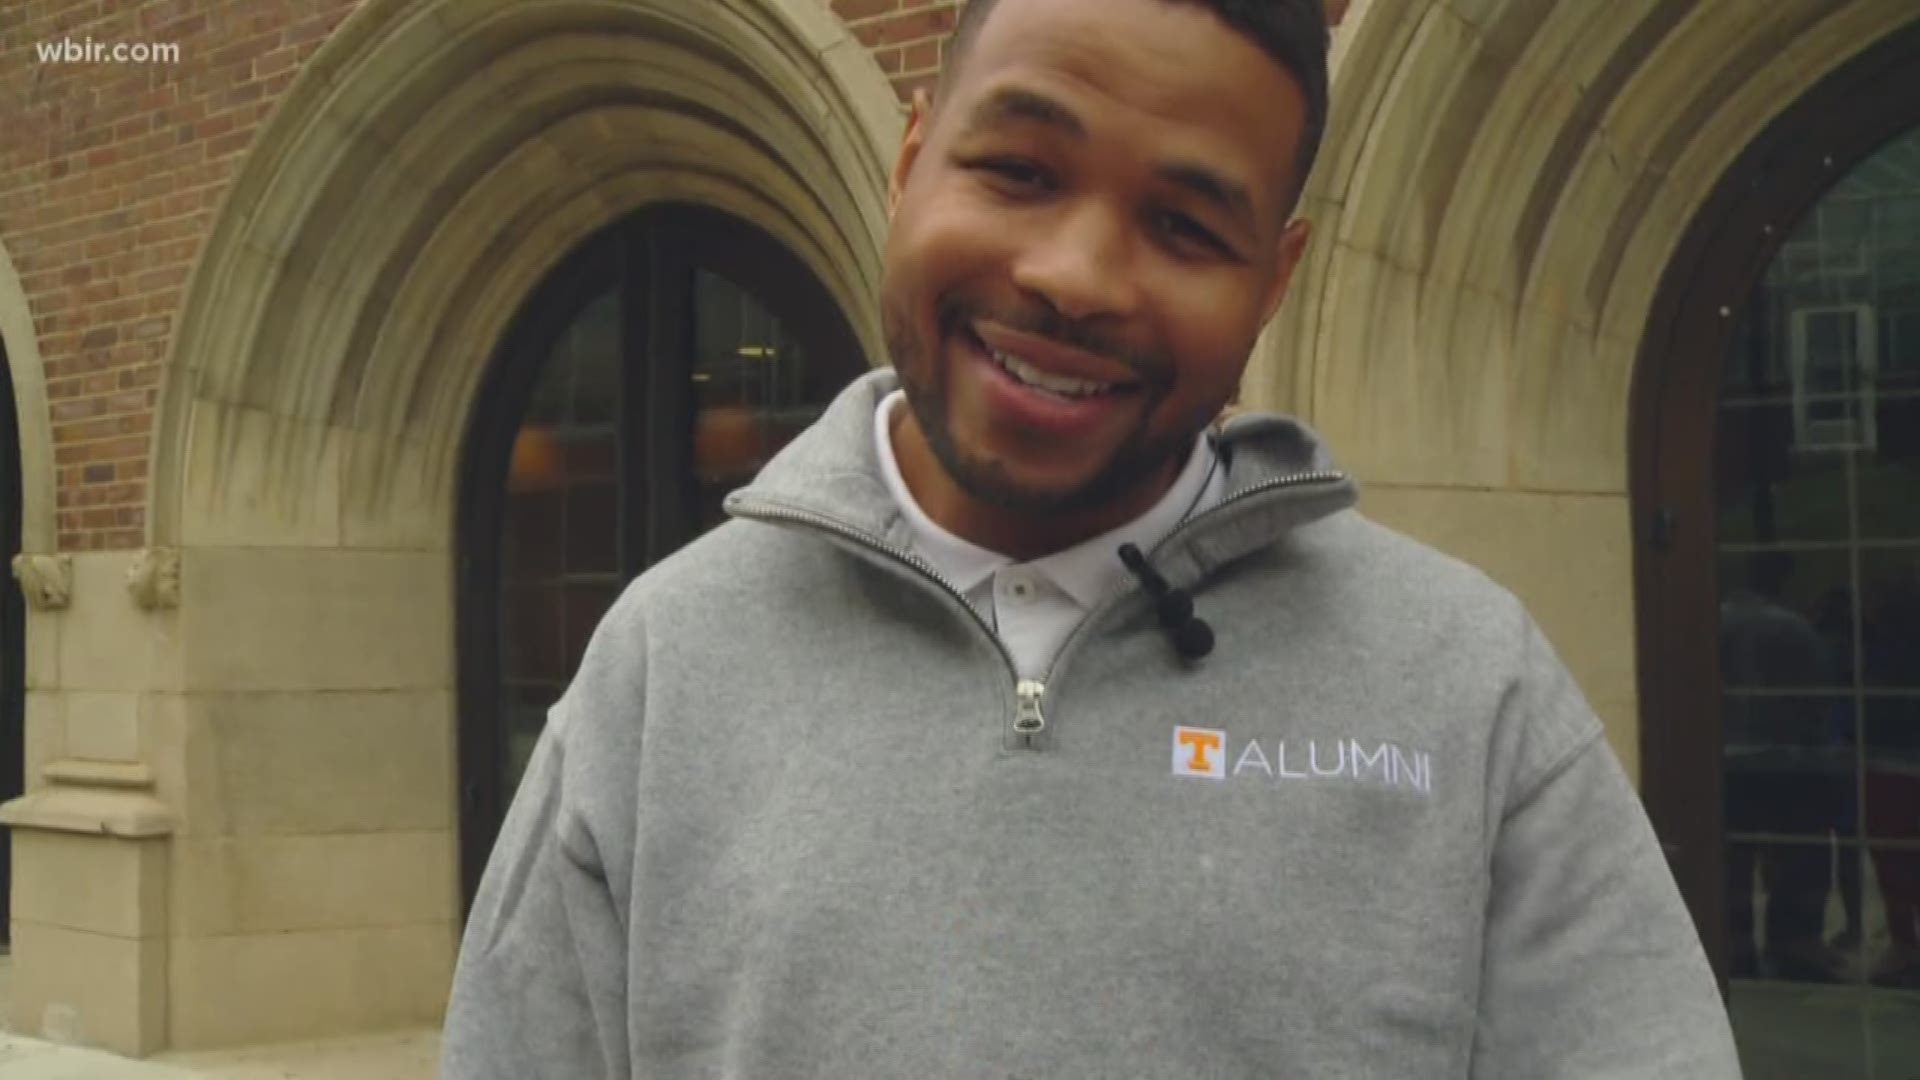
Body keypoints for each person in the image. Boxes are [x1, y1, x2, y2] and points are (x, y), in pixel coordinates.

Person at [441, 0, 1742, 1075]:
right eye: (1018, 171)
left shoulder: (1469, 682)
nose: (1075, 275)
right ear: (909, 167)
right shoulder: (661, 671)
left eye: (1184, 226)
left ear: (1272, 280)